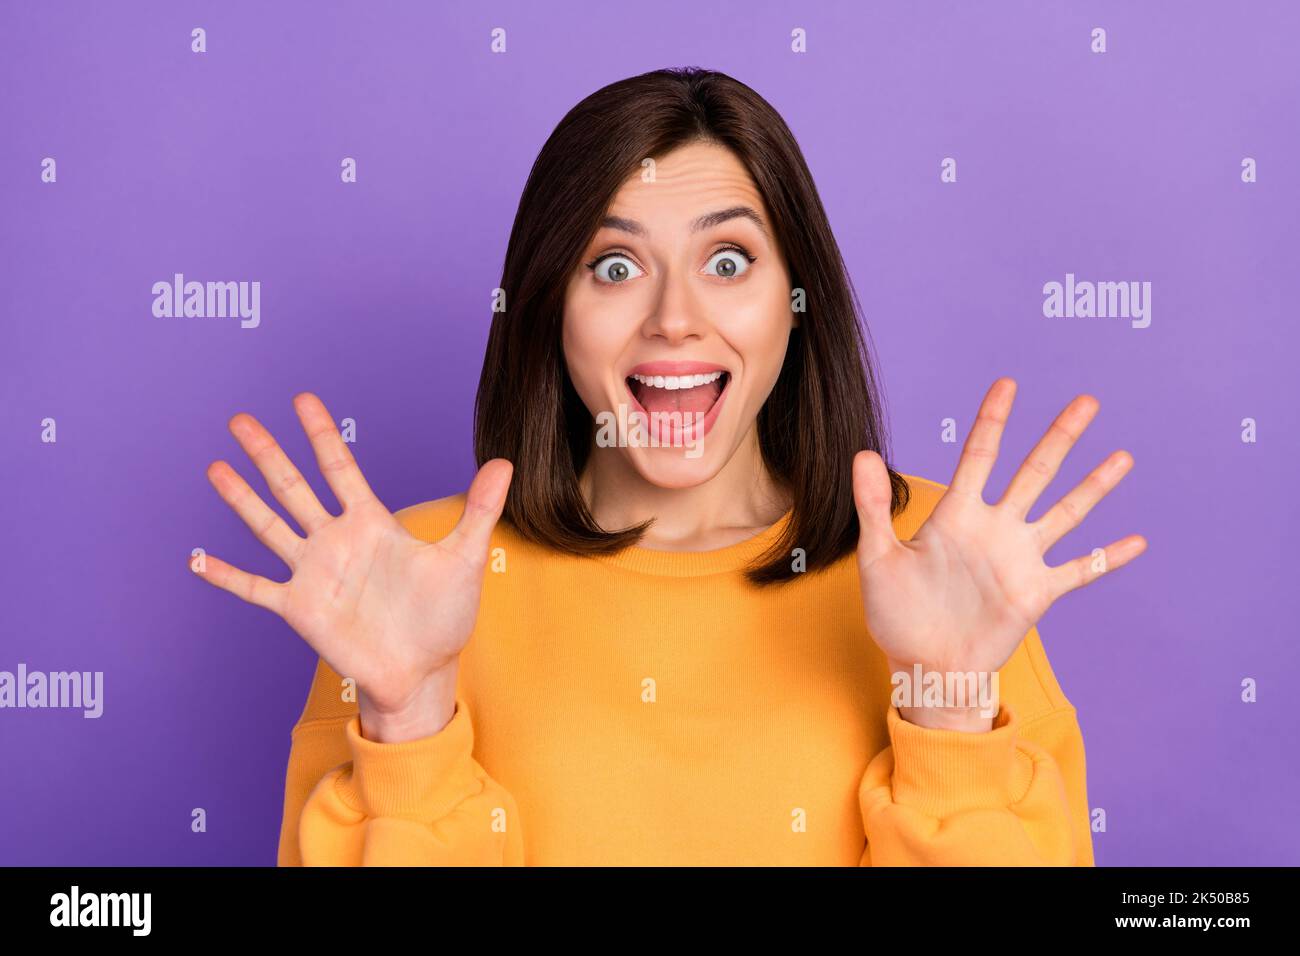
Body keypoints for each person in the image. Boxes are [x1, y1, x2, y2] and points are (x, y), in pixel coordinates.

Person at [192, 68, 1146, 865]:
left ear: (796, 302)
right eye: (614, 266)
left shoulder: (943, 556)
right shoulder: (408, 576)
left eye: (728, 260)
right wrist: (406, 721)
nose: (674, 317)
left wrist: (949, 714)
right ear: (547, 309)